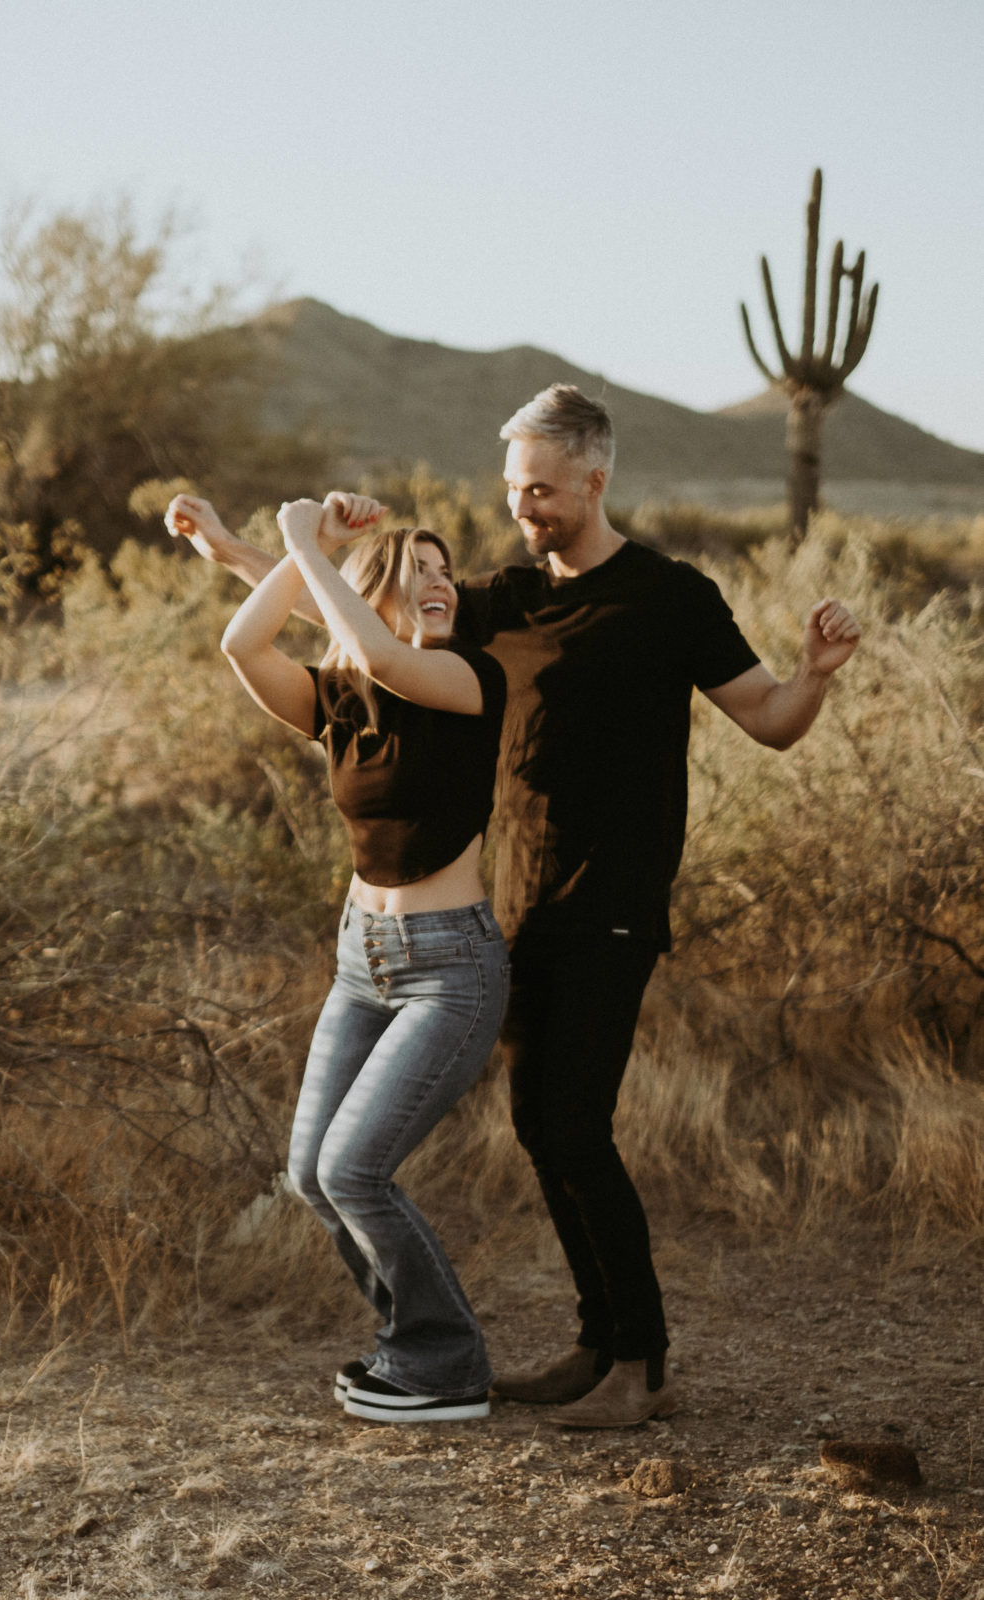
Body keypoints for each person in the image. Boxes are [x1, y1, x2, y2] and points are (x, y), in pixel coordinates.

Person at [166, 384, 861, 1430]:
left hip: (613, 901)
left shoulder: (670, 596)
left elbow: (767, 719)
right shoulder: (508, 598)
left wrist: (810, 673)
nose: (523, 507)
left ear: (594, 477)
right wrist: (233, 551)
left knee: (572, 1124)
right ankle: (598, 1343)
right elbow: (362, 615)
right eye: (511, 489)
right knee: (543, 1125)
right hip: (520, 903)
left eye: (539, 489)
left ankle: (642, 1363)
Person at [164, 489, 509, 1424]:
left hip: (451, 968)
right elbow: (246, 645)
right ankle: (411, 1347)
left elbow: (385, 651)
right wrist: (301, 544)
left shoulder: (471, 680)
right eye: (418, 571)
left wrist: (289, 536)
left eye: (446, 572)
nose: (441, 583)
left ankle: (447, 1364)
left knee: (355, 1170)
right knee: (313, 1171)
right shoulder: (339, 699)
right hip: (363, 961)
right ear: (372, 591)